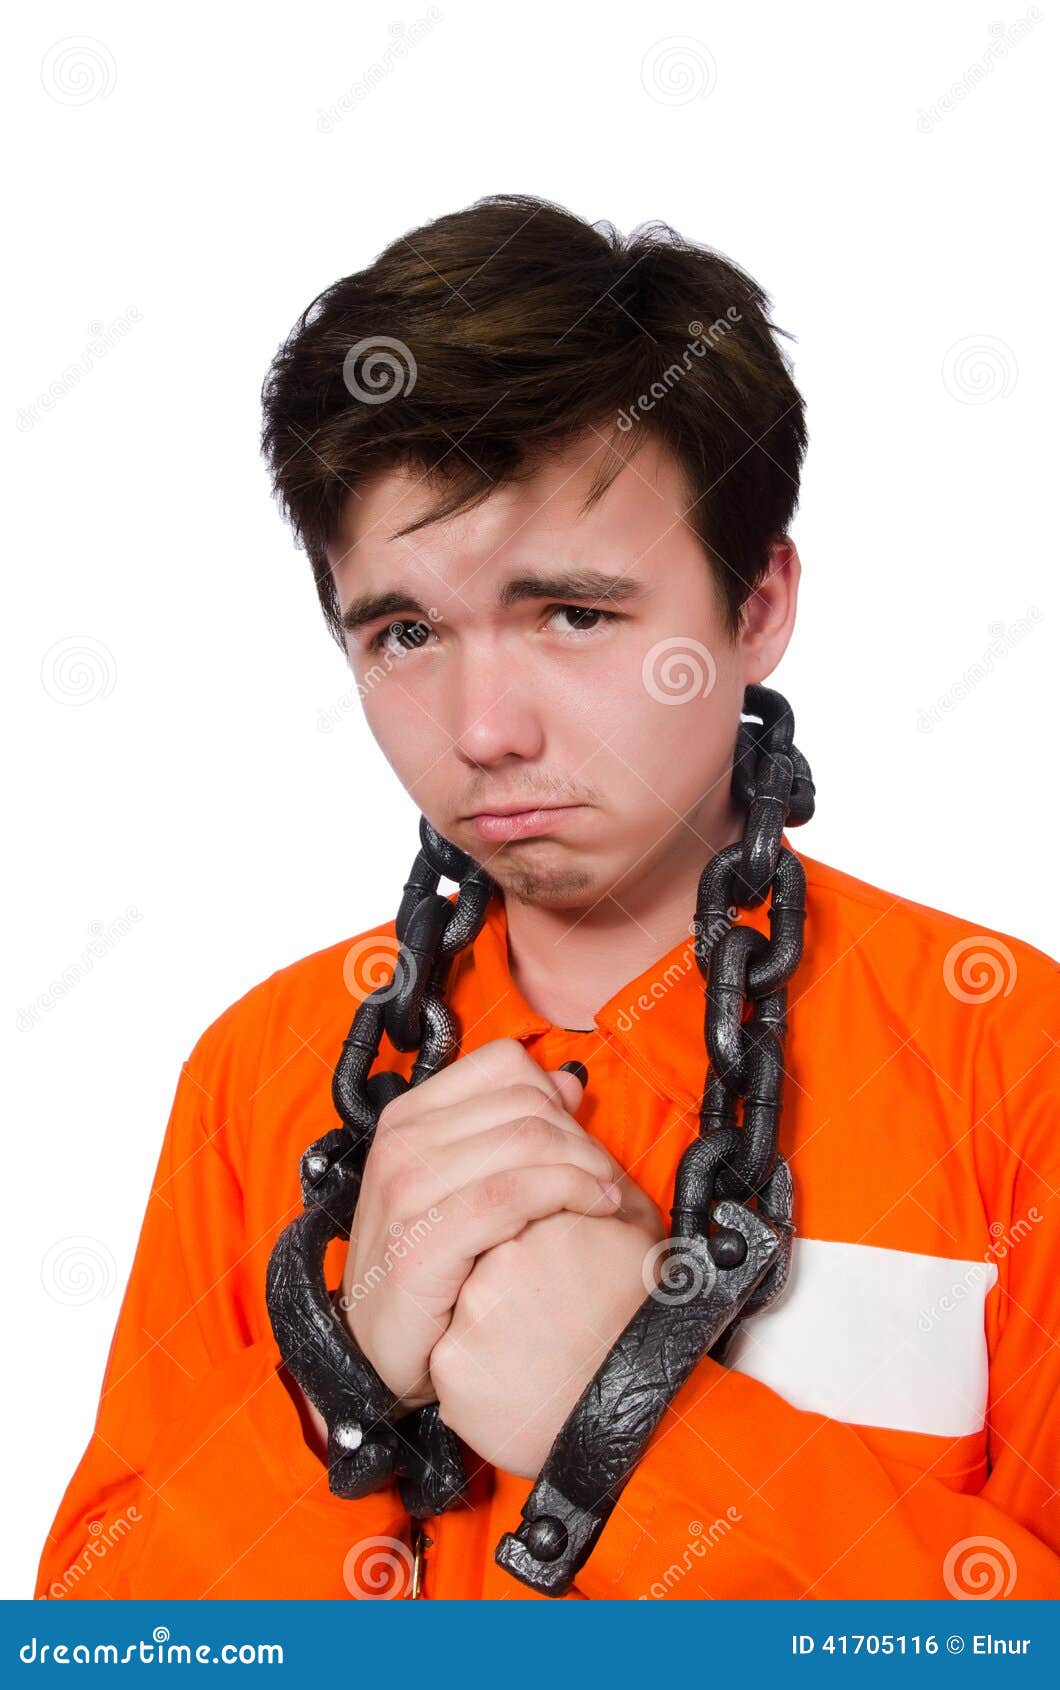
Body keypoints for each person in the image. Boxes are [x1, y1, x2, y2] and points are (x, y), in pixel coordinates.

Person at [36, 195, 1060, 1602]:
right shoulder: (257, 1075)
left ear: (756, 607)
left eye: (574, 614)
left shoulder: (1012, 1064)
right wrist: (337, 1382)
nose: (483, 731)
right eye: (406, 632)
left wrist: (635, 1432)